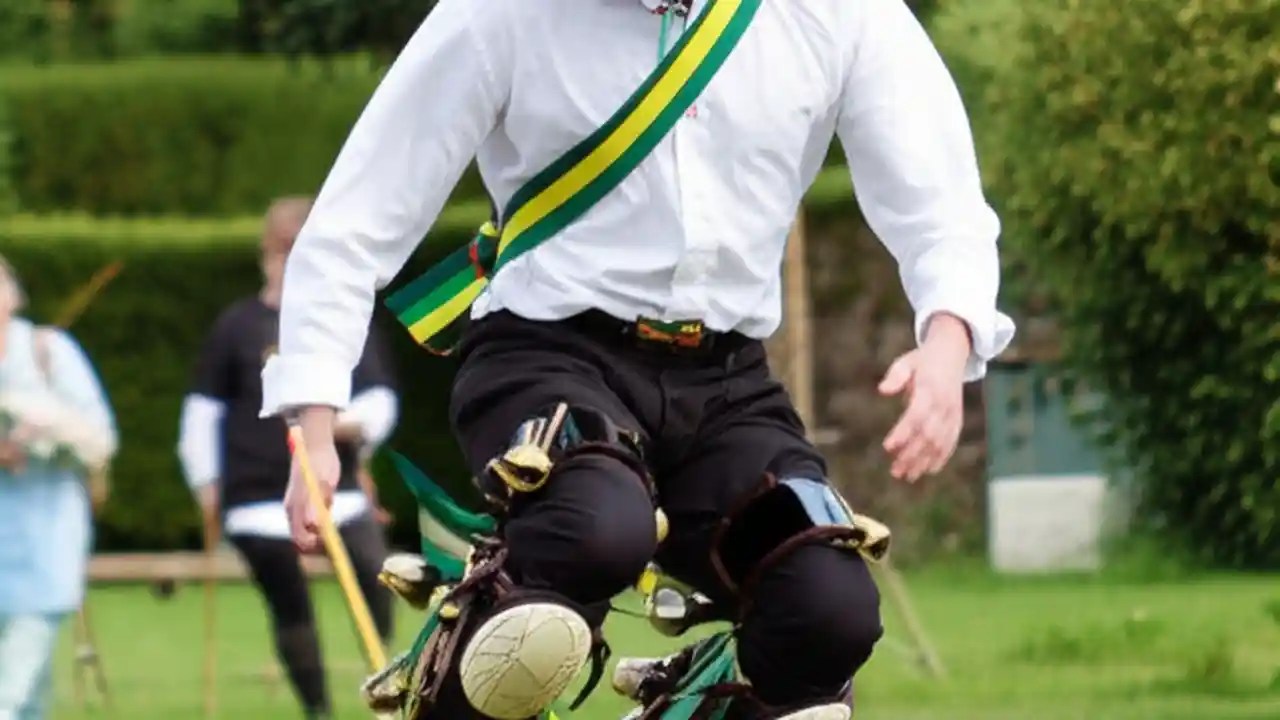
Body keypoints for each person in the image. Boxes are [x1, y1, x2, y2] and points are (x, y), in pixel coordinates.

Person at [262, 0, 1016, 718]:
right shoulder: (502, 12)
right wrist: (316, 424)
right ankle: (458, 680)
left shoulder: (836, 14)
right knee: (596, 529)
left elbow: (942, 202)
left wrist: (947, 341)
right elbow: (357, 220)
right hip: (545, 351)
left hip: (727, 385)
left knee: (827, 610)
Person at [177, 197, 399, 720]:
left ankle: (385, 676)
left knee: (377, 574)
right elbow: (202, 412)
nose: (289, 262)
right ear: (266, 255)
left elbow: (379, 399)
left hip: (337, 494)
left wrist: (339, 427)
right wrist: (207, 483)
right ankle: (317, 709)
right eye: (282, 251)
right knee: (289, 597)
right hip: (256, 498)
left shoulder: (341, 324)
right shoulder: (236, 326)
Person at [0, 255, 117, 720]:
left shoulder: (50, 353)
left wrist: (45, 430)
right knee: (29, 696)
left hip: (45, 543)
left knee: (12, 686)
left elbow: (100, 440)